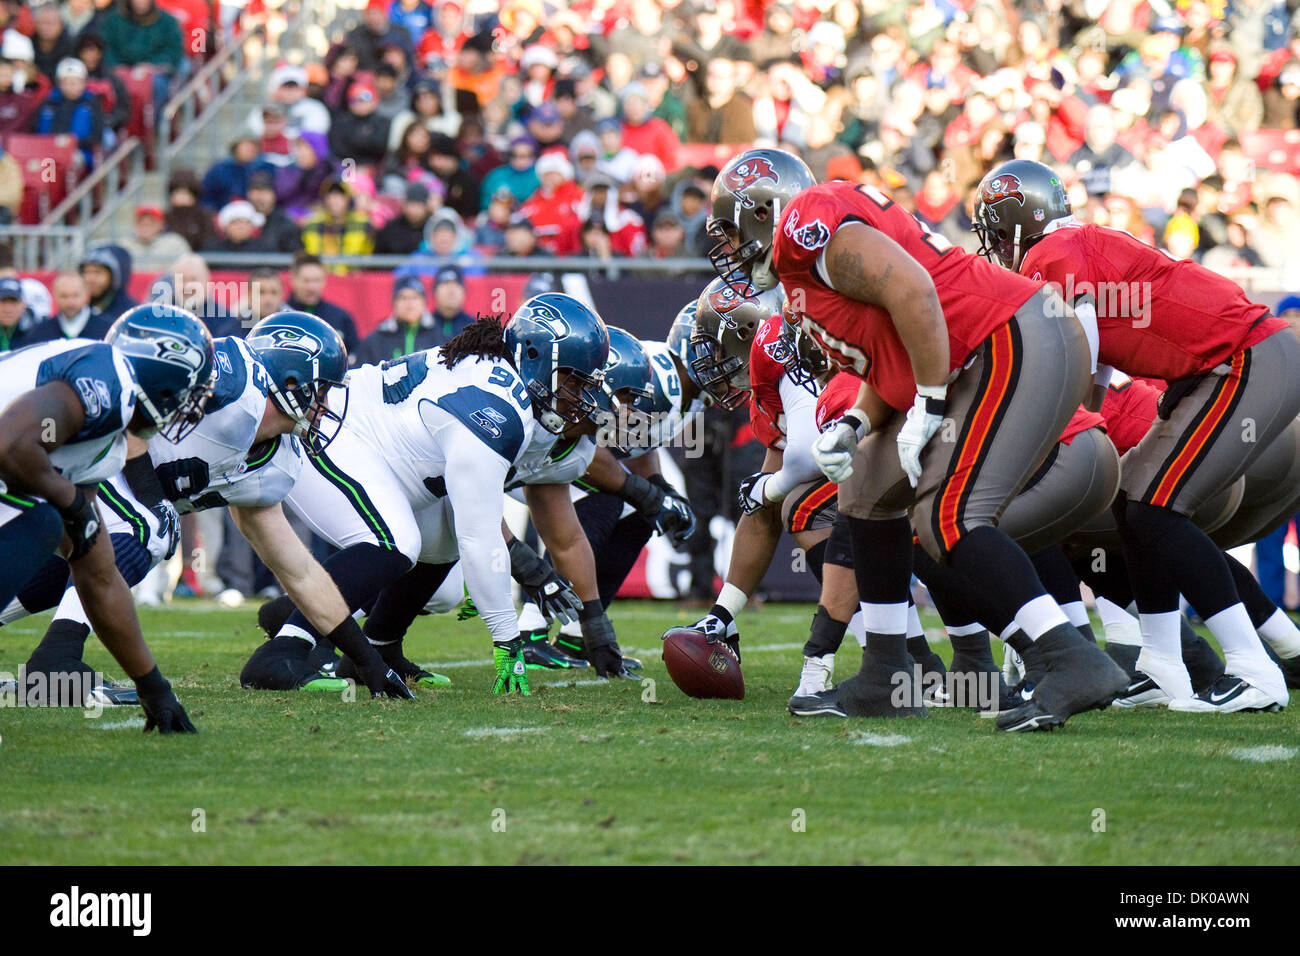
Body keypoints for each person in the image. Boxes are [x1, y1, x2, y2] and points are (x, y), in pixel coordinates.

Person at [709, 148, 1128, 729]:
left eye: (732, 228)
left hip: (1009, 333)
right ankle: (885, 672)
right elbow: (892, 356)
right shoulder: (801, 279)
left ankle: (1068, 655)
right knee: (863, 485)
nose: (729, 248)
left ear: (763, 210)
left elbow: (914, 290)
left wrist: (931, 400)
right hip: (982, 348)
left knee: (947, 517)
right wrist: (856, 423)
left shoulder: (806, 228)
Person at [974, 158, 1297, 714]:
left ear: (1020, 218)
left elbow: (1081, 352)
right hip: (1219, 367)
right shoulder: (1074, 246)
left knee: (1158, 511)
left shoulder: (1053, 254)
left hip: (1244, 357)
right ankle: (1162, 663)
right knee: (1133, 506)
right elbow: (1095, 368)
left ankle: (1254, 667)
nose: (997, 243)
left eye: (998, 228)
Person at [248, 299, 613, 694]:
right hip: (327, 429)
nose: (578, 398)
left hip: (373, 451)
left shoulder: (508, 391)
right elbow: (481, 535)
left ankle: (377, 646)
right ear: (539, 358)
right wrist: (508, 641)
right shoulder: (499, 411)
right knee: (394, 542)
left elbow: (469, 524)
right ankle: (283, 651)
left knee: (443, 561)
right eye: (573, 382)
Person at [0, 303, 215, 731]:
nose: (188, 408)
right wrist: (70, 502)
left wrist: (153, 687)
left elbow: (98, 575)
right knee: (47, 518)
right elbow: (11, 445)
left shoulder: (107, 444)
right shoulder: (105, 376)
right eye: (190, 392)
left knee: (61, 523)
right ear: (165, 377)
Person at [285, 252, 360, 358]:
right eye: (306, 281)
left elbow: (354, 357)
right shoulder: (280, 316)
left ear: (324, 281)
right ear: (293, 280)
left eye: (316, 280)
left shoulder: (340, 317)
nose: (311, 287)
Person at [354, 274, 440, 365]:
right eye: (403, 298)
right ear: (394, 303)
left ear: (424, 302)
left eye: (414, 297)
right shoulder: (375, 340)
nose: (409, 303)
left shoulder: (439, 337)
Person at [33, 57, 103, 167]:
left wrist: (71, 142)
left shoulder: (90, 103)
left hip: (80, 150)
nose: (71, 86)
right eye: (67, 82)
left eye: (75, 82)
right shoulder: (49, 102)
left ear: (84, 83)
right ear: (59, 83)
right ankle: (47, 183)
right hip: (48, 148)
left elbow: (96, 134)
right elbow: (35, 128)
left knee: (72, 160)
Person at [301, 178, 375, 262]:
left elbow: (368, 258)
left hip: (353, 274)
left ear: (348, 198)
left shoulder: (364, 225)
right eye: (330, 195)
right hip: (321, 274)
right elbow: (310, 256)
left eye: (340, 194)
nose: (335, 200)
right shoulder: (312, 224)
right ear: (325, 199)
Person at [119, 204, 191, 270]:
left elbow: (186, 269)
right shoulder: (124, 245)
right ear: (135, 224)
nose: (146, 224)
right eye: (141, 221)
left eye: (152, 221)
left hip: (166, 283)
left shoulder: (175, 243)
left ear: (161, 225)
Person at [246, 171, 302, 253]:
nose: (260, 197)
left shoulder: (286, 225)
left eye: (265, 191)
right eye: (256, 190)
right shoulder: (238, 221)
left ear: (273, 194)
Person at [79, 244, 136, 325]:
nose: (90, 279)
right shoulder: (75, 307)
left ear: (114, 276)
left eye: (97, 272)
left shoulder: (130, 313)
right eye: (86, 272)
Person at [375, 182, 433, 255]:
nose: (414, 211)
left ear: (426, 207)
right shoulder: (390, 229)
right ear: (404, 205)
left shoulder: (432, 228)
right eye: (411, 205)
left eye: (418, 206)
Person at [203, 199, 270, 256]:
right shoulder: (213, 249)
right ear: (226, 226)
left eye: (246, 222)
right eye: (235, 222)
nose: (241, 227)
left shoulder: (264, 249)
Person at [0, 275, 34, 351]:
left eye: (14, 302)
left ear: (24, 305)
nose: (8, 310)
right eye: (2, 302)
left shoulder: (37, 334)